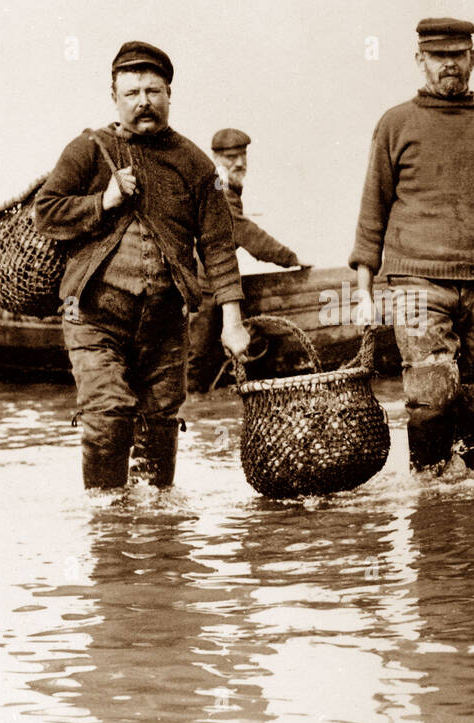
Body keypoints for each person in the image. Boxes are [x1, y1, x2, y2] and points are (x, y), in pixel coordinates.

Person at [35, 41, 252, 489]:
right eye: (132, 92)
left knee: (161, 424)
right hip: (95, 316)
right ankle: (106, 526)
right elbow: (47, 211)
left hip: (165, 322)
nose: (144, 102)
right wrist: (104, 200)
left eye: (153, 91)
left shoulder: (194, 163)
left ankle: (158, 537)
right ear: (113, 95)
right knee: (107, 416)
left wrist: (232, 321)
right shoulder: (87, 150)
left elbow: (218, 244)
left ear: (169, 94)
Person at [349, 17, 474, 475]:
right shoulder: (395, 124)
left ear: (472, 59)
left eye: (457, 56)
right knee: (431, 395)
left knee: (473, 398)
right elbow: (371, 214)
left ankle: (461, 495)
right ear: (420, 60)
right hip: (416, 281)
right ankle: (426, 488)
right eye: (439, 57)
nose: (449, 66)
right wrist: (362, 292)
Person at [187, 128, 305, 392]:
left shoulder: (224, 186)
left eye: (242, 156)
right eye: (230, 157)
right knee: (196, 362)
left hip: (211, 287)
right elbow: (244, 231)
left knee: (202, 360)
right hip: (202, 290)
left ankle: (198, 416)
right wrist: (290, 258)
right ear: (215, 158)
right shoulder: (218, 189)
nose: (239, 163)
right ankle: (191, 418)